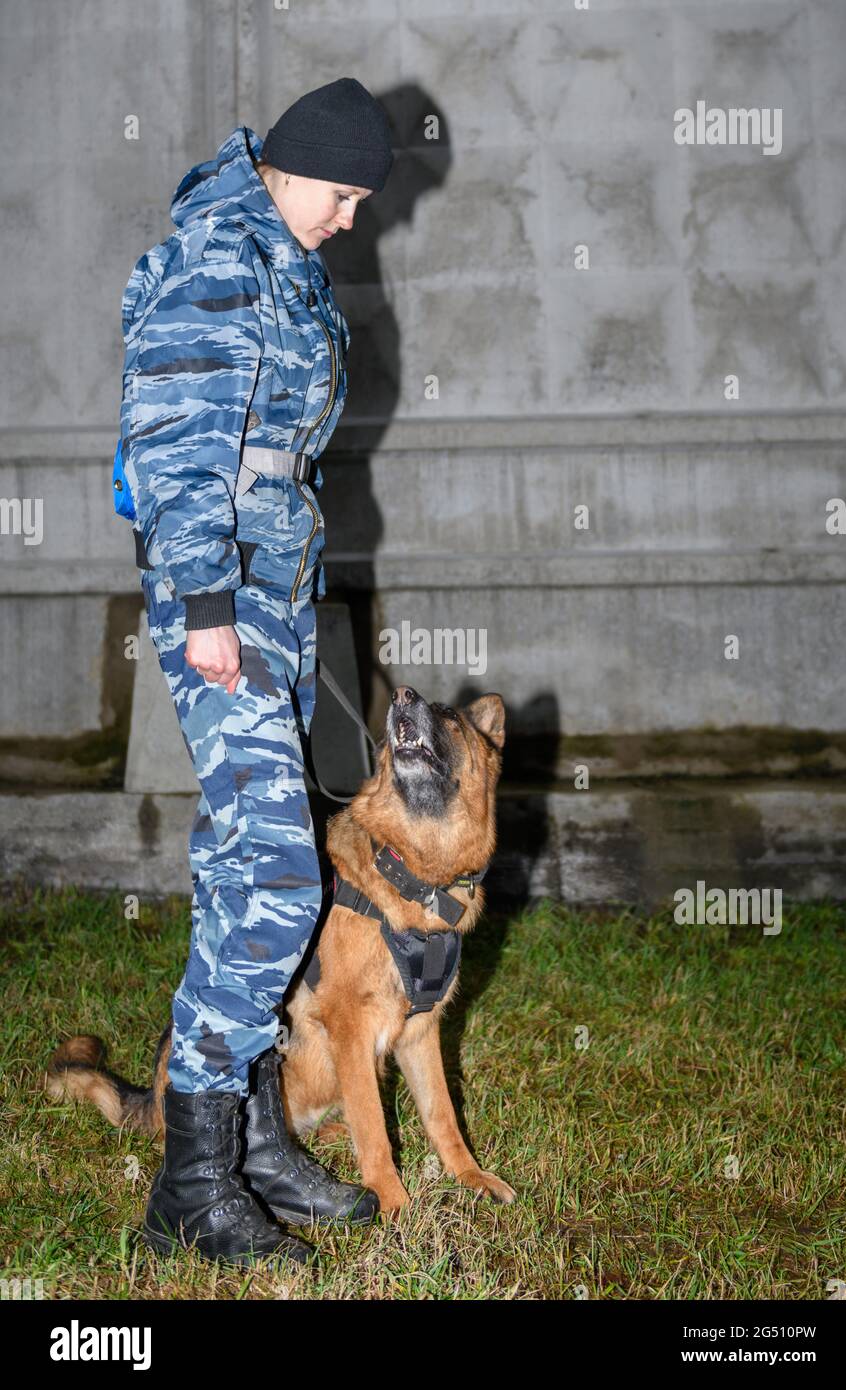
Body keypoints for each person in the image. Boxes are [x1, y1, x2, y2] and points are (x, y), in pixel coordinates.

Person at [120, 78, 394, 1267]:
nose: (349, 219)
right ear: (290, 168)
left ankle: (244, 1139)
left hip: (271, 601)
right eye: (341, 194)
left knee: (244, 864)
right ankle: (191, 1178)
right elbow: (176, 446)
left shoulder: (281, 253)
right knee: (282, 871)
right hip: (221, 603)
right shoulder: (220, 255)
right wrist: (208, 606)